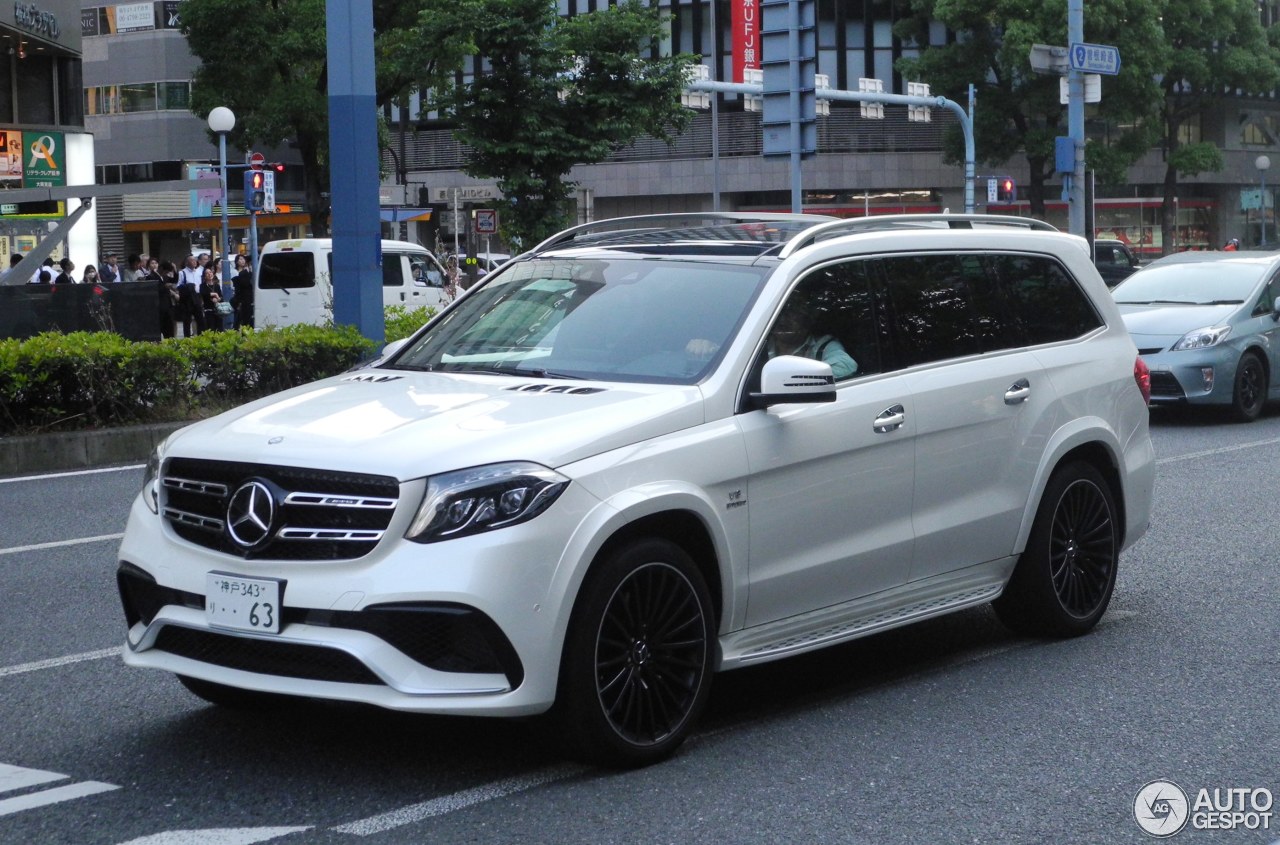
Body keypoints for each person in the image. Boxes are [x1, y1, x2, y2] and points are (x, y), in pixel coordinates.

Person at [765, 299, 857, 379]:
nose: (783, 318)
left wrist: (797, 378)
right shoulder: (761, 343)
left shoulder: (823, 346)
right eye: (780, 312)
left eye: (793, 313)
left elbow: (846, 365)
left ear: (808, 321)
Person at [176, 255, 204, 336]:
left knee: (200, 319)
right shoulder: (182, 272)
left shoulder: (199, 272)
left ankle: (200, 336)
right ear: (187, 262)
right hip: (187, 299)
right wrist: (188, 286)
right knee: (187, 320)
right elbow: (178, 285)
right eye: (192, 260)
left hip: (197, 297)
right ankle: (187, 338)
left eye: (195, 260)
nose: (194, 262)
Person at [155, 260, 178, 339]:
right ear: (161, 269)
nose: (166, 273)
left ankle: (170, 340)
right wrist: (164, 287)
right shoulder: (152, 276)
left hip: (168, 305)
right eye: (165, 271)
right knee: (161, 327)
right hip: (159, 306)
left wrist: (175, 270)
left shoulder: (164, 277)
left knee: (169, 328)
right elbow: (154, 289)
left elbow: (174, 280)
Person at [199, 266, 227, 331]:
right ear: (204, 276)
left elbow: (221, 297)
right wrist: (214, 294)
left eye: (210, 272)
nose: (209, 274)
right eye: (207, 273)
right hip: (208, 310)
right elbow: (203, 294)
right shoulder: (202, 285)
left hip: (218, 310)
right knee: (211, 329)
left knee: (220, 329)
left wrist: (218, 299)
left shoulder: (216, 285)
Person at [231, 254, 254, 329]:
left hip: (248, 298)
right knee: (240, 318)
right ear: (237, 261)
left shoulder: (248, 271)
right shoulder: (235, 272)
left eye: (243, 259)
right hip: (241, 298)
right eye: (240, 259)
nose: (242, 260)